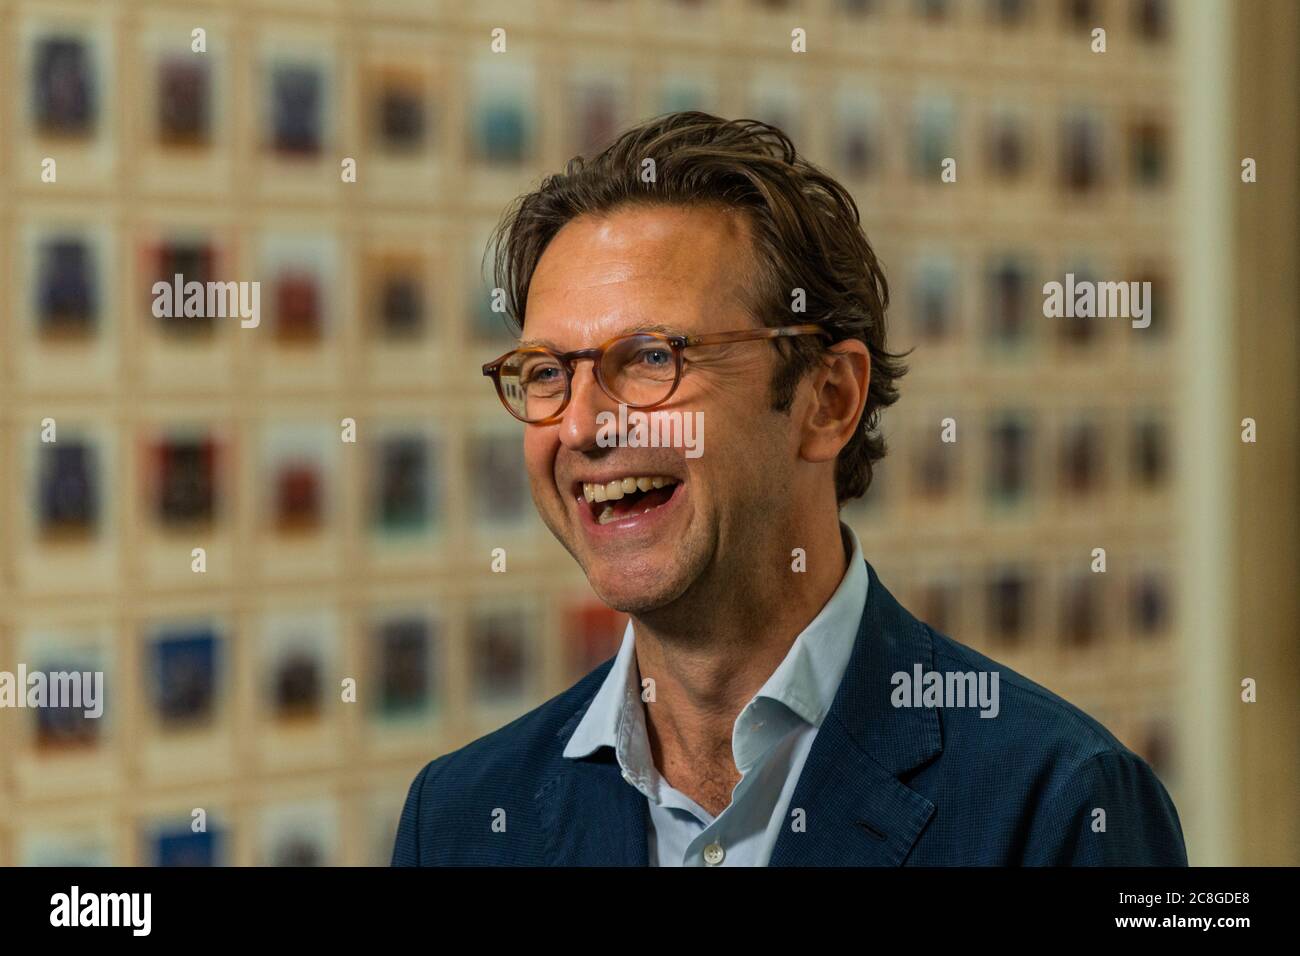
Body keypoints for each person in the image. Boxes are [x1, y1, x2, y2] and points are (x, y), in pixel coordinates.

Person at [392, 112, 1187, 866]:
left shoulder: (1060, 803)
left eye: (651, 358)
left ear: (828, 399)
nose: (580, 426)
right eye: (545, 372)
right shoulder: (458, 819)